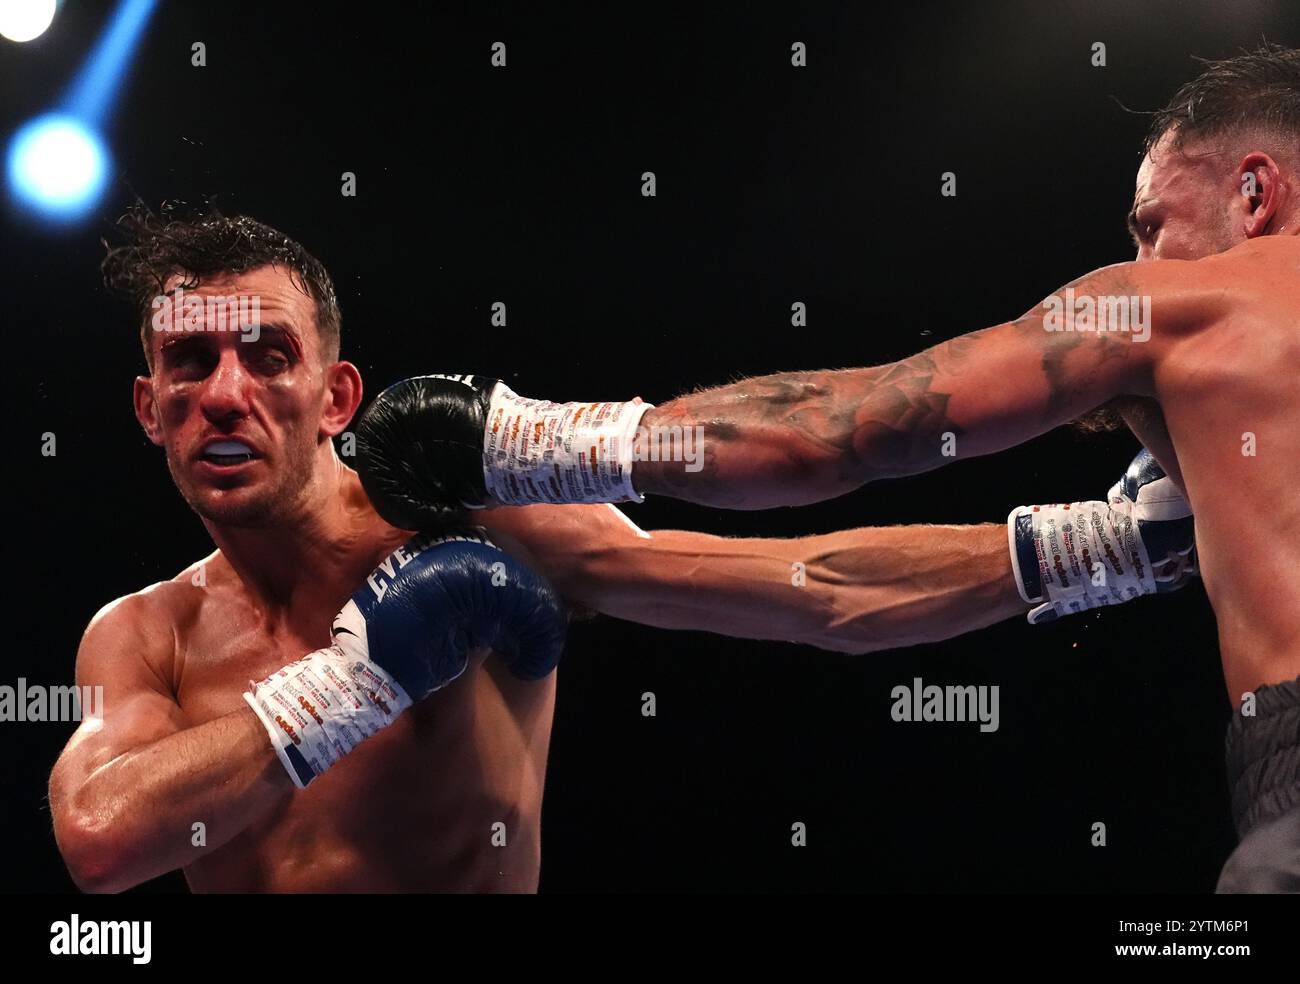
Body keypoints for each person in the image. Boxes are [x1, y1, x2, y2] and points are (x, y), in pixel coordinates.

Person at [357, 45, 1300, 891]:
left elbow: (834, 431)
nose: (1135, 257)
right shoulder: (1204, 497)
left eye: (1150, 225)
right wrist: (610, 566)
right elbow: (848, 596)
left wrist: (516, 442)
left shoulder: (1177, 306)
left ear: (1255, 195)